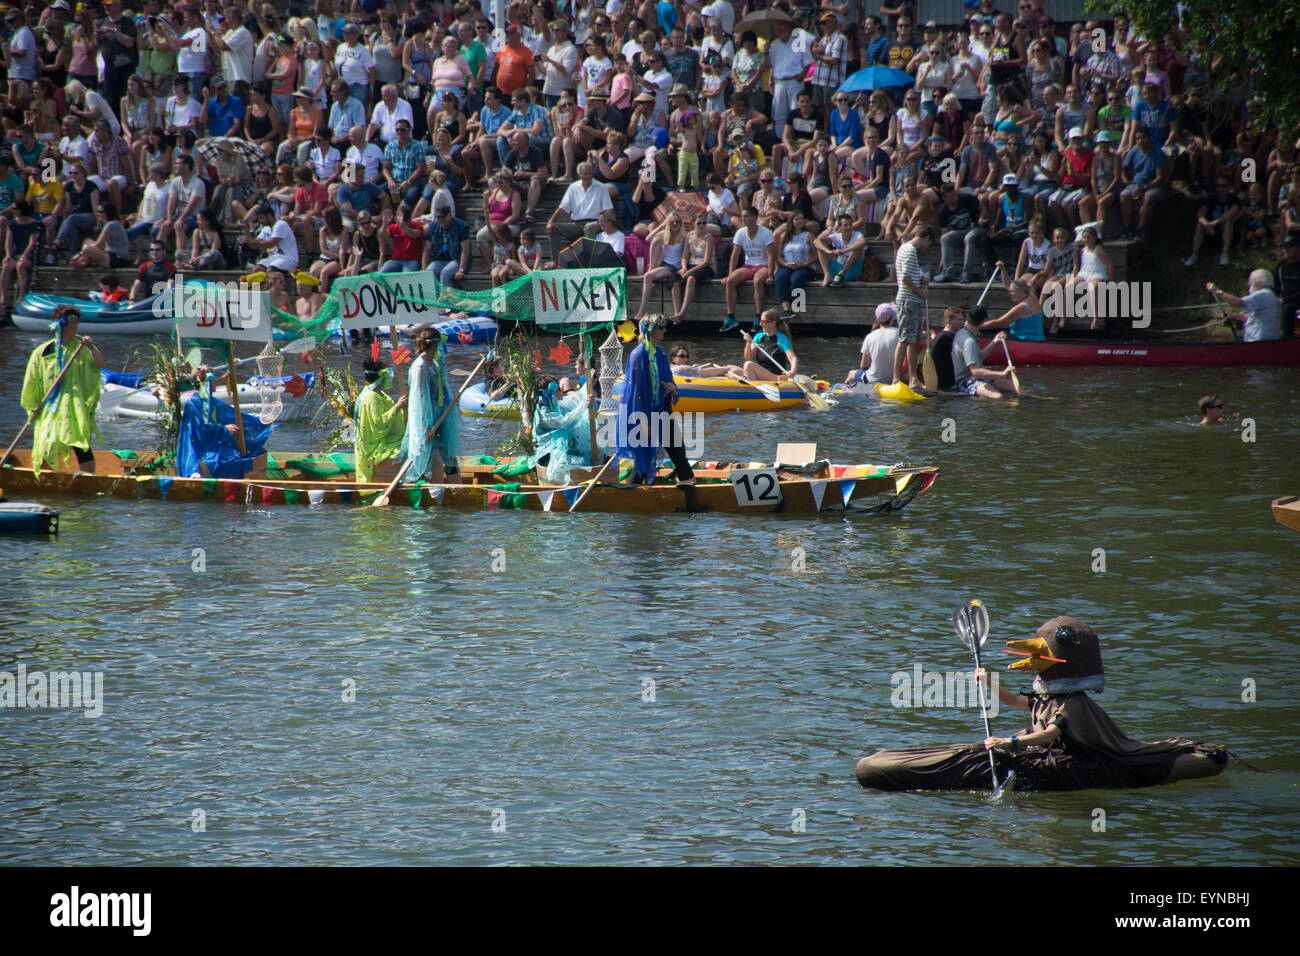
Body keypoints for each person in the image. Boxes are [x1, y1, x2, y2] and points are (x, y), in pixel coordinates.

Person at [857, 616, 1228, 792]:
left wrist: (1009, 744)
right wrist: (989, 683)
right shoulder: (1049, 697)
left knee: (984, 761)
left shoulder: (1073, 705)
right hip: (1036, 753)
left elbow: (1051, 736)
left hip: (1061, 761)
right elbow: (1019, 703)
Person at [614, 314, 699, 506]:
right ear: (650, 330)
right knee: (643, 452)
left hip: (663, 407)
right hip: (643, 411)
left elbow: (669, 380)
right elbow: (635, 391)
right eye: (661, 327)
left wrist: (672, 387)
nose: (665, 330)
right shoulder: (638, 355)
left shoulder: (659, 353)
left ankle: (689, 488)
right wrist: (645, 422)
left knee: (677, 449)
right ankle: (633, 494)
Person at [19, 305, 106, 476]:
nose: (76, 326)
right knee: (46, 440)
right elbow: (32, 380)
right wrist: (32, 405)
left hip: (73, 405)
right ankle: (47, 479)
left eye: (77, 322)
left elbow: (99, 365)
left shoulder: (81, 348)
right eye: (72, 322)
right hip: (49, 406)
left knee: (78, 439)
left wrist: (91, 347)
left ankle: (88, 477)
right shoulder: (44, 351)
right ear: (62, 324)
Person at [399, 329, 461, 483]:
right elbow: (418, 399)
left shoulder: (433, 364)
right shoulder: (420, 367)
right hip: (425, 423)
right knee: (423, 459)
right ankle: (419, 490)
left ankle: (458, 490)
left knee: (449, 456)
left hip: (439, 418)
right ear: (436, 345)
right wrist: (425, 427)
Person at [892, 225, 935, 389]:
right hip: (908, 301)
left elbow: (909, 276)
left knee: (912, 341)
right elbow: (905, 279)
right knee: (904, 340)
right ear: (926, 238)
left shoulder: (906, 249)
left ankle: (913, 379)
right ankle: (897, 378)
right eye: (928, 244)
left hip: (911, 301)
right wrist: (920, 291)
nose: (926, 248)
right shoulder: (909, 251)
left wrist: (921, 280)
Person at [721, 206, 776, 332]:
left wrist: (770, 275)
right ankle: (731, 317)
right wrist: (730, 274)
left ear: (755, 218)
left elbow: (771, 256)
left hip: (763, 266)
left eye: (746, 216)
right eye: (742, 216)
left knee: (757, 281)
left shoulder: (765, 233)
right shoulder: (740, 233)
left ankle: (758, 317)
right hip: (748, 266)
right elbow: (734, 256)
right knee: (730, 281)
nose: (743, 219)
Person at [354, 359, 408, 483]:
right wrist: (398, 406)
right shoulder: (371, 397)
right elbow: (378, 424)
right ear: (381, 378)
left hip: (387, 437)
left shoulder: (379, 394)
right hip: (376, 443)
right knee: (408, 450)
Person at [1181, 177, 1242, 268]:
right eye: (1218, 186)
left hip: (1231, 234)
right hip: (1213, 233)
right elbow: (1200, 213)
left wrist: (1212, 224)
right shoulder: (1211, 198)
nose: (1221, 189)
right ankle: (1194, 255)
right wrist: (1206, 225)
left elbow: (1229, 215)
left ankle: (1225, 254)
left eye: (1224, 186)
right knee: (1200, 224)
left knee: (1228, 222)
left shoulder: (1236, 200)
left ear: (1229, 187)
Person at [1207, 272, 1281, 344]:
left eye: (1250, 281)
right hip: (1267, 340)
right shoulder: (1272, 296)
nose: (1248, 284)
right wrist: (1234, 316)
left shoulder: (1262, 294)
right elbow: (1252, 318)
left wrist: (1217, 291)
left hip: (1258, 341)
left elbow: (1238, 302)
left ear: (1258, 281)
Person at [952, 318, 1018, 399]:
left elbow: (978, 358)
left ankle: (1033, 399)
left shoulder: (966, 334)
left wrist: (995, 341)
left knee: (1014, 387)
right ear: (982, 323)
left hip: (979, 378)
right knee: (998, 396)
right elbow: (976, 372)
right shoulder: (969, 341)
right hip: (966, 382)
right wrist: (1002, 374)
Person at [548, 162, 613, 241]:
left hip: (595, 223)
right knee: (553, 228)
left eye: (590, 173)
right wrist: (551, 221)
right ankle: (556, 254)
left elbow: (608, 209)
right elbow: (563, 208)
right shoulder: (573, 187)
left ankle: (589, 253)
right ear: (579, 175)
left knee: (589, 227)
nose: (588, 176)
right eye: (585, 174)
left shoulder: (601, 187)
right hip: (576, 224)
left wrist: (604, 220)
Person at [981, 271, 1046, 342]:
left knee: (998, 335)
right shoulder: (1032, 297)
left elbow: (1000, 323)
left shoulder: (1022, 307)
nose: (1009, 294)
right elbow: (1009, 285)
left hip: (1026, 341)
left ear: (1020, 291)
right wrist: (1003, 269)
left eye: (1012, 291)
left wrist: (977, 326)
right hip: (1038, 339)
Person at [845, 303, 899, 386]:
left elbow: (864, 365)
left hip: (873, 380)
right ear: (892, 319)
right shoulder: (900, 334)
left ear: (877, 319)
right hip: (896, 379)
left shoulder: (870, 337)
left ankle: (846, 392)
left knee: (851, 373)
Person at [740, 310, 798, 383]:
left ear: (773, 323)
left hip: (777, 376)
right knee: (730, 369)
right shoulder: (759, 337)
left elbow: (793, 358)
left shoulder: (781, 338)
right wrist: (748, 343)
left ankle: (750, 390)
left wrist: (792, 371)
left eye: (763, 322)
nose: (760, 324)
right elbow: (748, 357)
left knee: (748, 365)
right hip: (762, 374)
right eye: (760, 321)